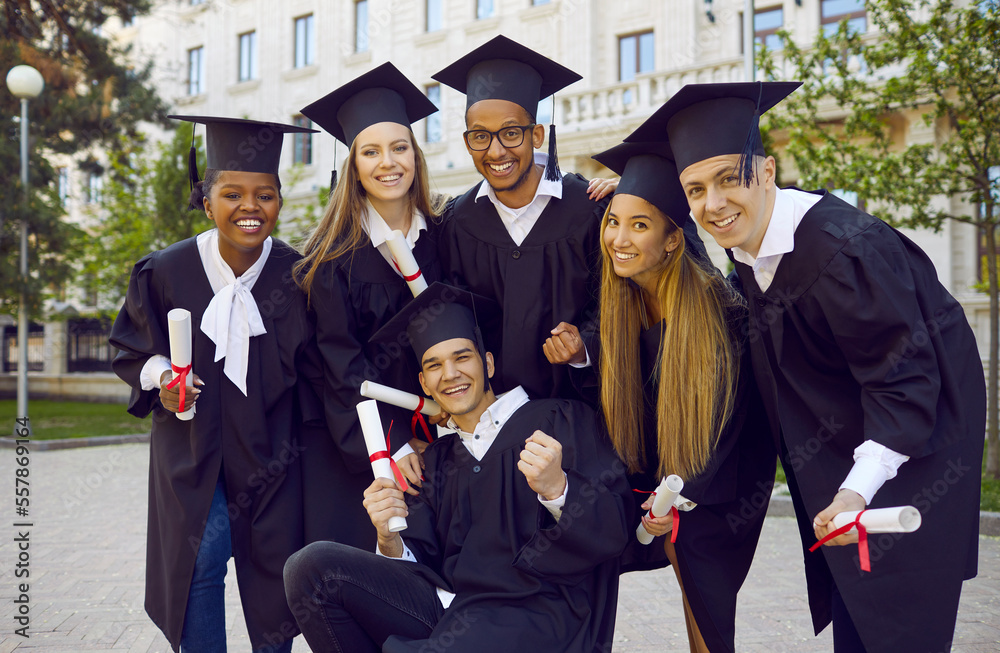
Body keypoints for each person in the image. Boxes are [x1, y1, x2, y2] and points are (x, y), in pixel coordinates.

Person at [628, 81, 986, 653]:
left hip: (907, 460)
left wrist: (857, 489)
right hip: (843, 461)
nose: (713, 203)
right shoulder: (749, 245)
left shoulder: (845, 251)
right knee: (858, 620)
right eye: (695, 189)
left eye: (729, 178)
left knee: (896, 621)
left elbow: (905, 380)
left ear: (767, 170)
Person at [283, 282, 633, 653]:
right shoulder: (435, 460)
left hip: (539, 615)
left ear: (489, 363)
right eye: (434, 366)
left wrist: (557, 489)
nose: (450, 374)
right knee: (310, 569)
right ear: (424, 384)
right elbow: (420, 565)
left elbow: (617, 528)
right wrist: (389, 537)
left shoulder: (561, 420)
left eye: (462, 357)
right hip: (454, 614)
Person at [109, 115, 318, 652]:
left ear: (278, 201)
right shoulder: (167, 271)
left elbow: (320, 373)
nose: (250, 207)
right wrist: (163, 380)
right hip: (192, 449)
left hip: (272, 455)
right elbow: (134, 351)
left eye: (265, 195)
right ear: (206, 201)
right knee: (200, 561)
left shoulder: (299, 278)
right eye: (232, 194)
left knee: (275, 573)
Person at [583, 141, 775, 652]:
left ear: (673, 241)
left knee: (704, 602)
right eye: (613, 222)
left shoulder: (716, 309)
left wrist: (678, 494)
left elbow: (728, 423)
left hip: (719, 481)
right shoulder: (623, 300)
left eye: (640, 225)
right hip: (661, 474)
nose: (619, 239)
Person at [295, 63, 445, 550]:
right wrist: (397, 440)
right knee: (379, 571)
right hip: (373, 447)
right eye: (371, 151)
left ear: (415, 156)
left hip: (449, 431)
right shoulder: (333, 261)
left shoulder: (448, 236)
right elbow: (342, 369)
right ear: (354, 165)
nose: (388, 162)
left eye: (399, 147)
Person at [431, 35, 616, 401]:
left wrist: (585, 348)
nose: (496, 150)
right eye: (480, 136)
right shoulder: (457, 223)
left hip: (584, 415)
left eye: (511, 133)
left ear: (536, 135)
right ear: (467, 142)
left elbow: (623, 303)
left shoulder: (591, 207)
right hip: (493, 420)